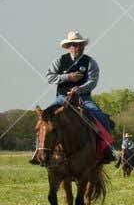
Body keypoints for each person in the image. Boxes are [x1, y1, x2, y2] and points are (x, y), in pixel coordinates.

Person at [34, 31, 115, 164]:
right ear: (68, 46)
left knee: (101, 117)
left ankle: (107, 150)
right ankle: (38, 150)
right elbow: (49, 77)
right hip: (61, 98)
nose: (76, 48)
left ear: (83, 46)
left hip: (83, 99)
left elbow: (93, 81)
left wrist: (80, 89)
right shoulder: (59, 61)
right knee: (44, 118)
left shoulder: (90, 62)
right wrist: (68, 77)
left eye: (78, 45)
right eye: (73, 45)